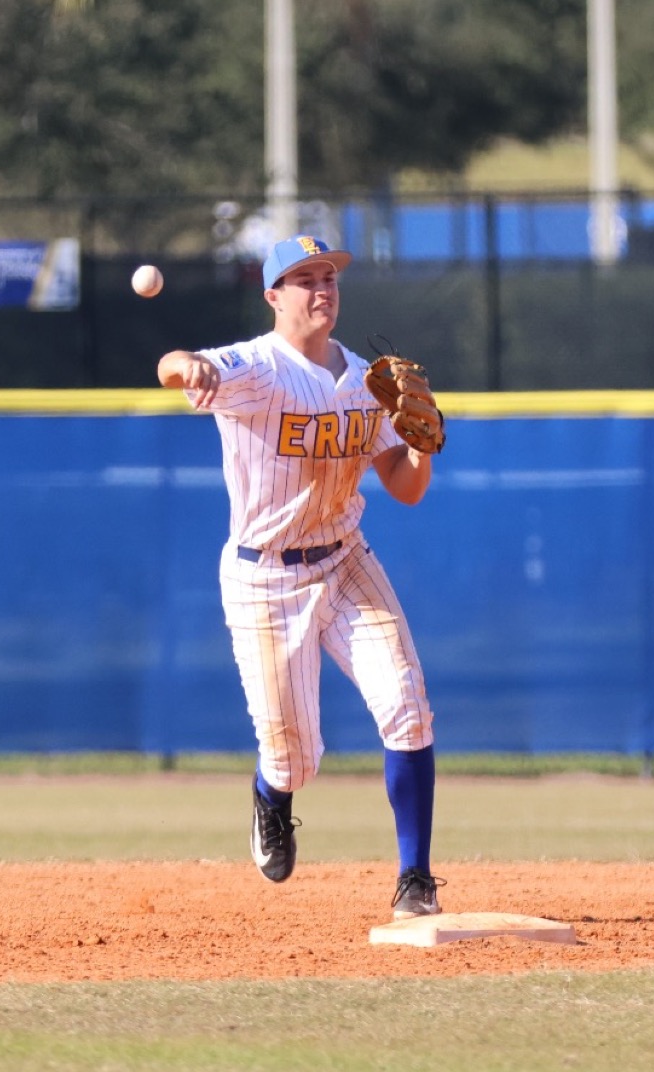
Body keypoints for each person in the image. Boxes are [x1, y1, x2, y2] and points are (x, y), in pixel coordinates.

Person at [156, 235, 445, 919]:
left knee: (406, 705)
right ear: (273, 296)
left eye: (329, 278)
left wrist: (421, 442)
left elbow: (404, 489)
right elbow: (173, 364)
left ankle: (415, 879)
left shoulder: (367, 380)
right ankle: (272, 796)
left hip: (345, 558)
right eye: (303, 279)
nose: (321, 290)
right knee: (294, 758)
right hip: (264, 578)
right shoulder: (252, 368)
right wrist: (188, 369)